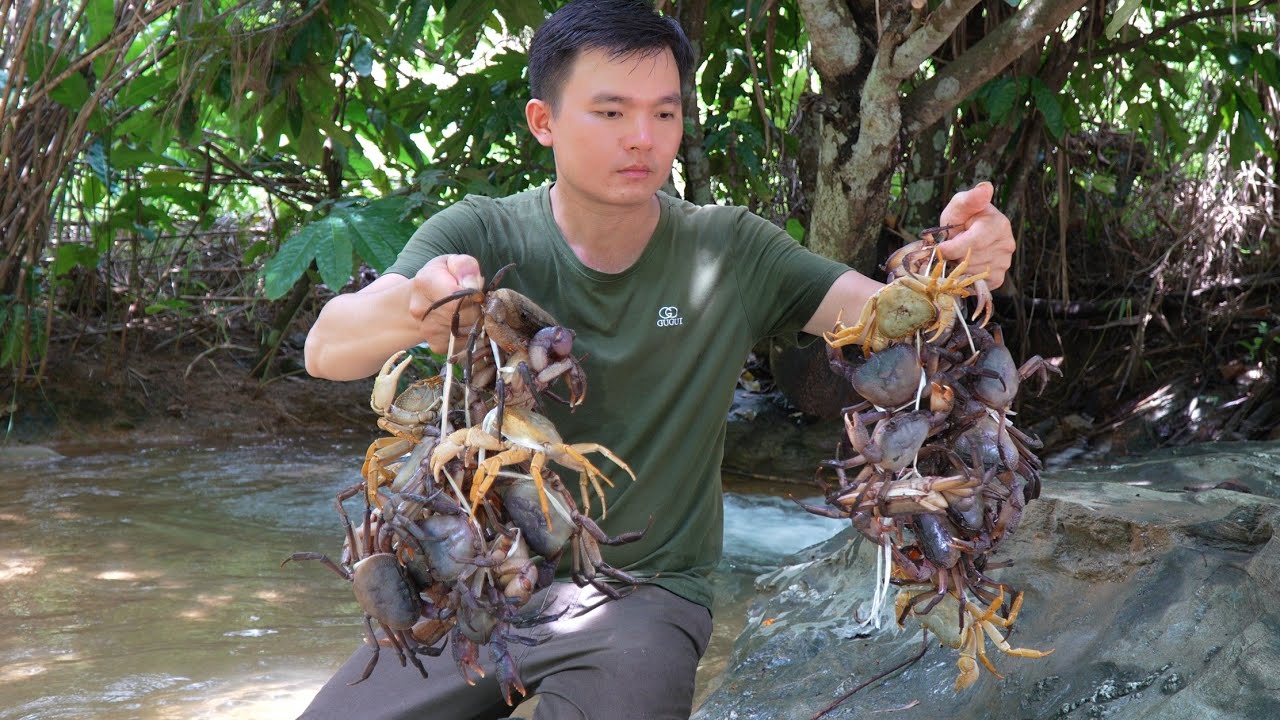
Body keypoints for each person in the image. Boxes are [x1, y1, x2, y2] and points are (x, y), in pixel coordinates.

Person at [299, 1, 1015, 718]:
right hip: (478, 584)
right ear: (543, 122)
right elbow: (329, 348)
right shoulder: (480, 231)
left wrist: (959, 262)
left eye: (664, 114)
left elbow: (899, 319)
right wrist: (416, 306)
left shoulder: (730, 249)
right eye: (610, 113)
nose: (642, 138)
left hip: (647, 597)